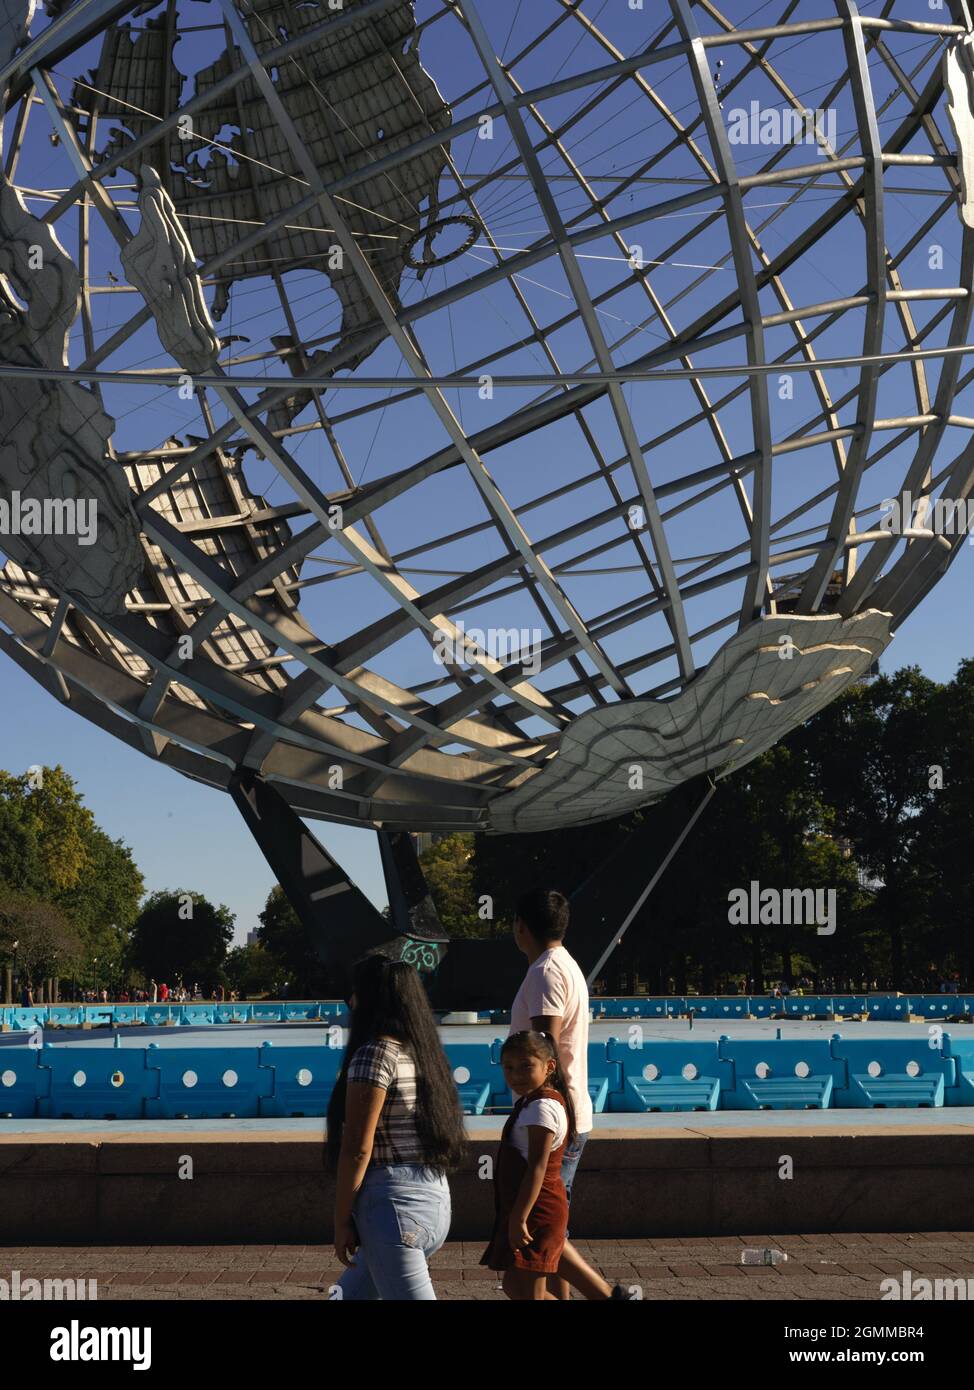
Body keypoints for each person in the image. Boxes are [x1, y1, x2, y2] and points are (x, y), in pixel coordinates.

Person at [327, 954, 465, 1300]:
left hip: (393, 1209)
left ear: (372, 999)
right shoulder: (423, 1055)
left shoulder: (374, 1054)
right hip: (433, 1201)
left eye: (356, 993)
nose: (351, 1001)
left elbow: (358, 1147)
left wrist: (341, 1219)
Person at [511, 888, 624, 1301]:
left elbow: (544, 1047)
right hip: (565, 1113)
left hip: (553, 1116)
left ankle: (608, 1296)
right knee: (553, 1227)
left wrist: (544, 1114)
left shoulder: (545, 972)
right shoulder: (566, 965)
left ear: (521, 927)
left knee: (545, 1229)